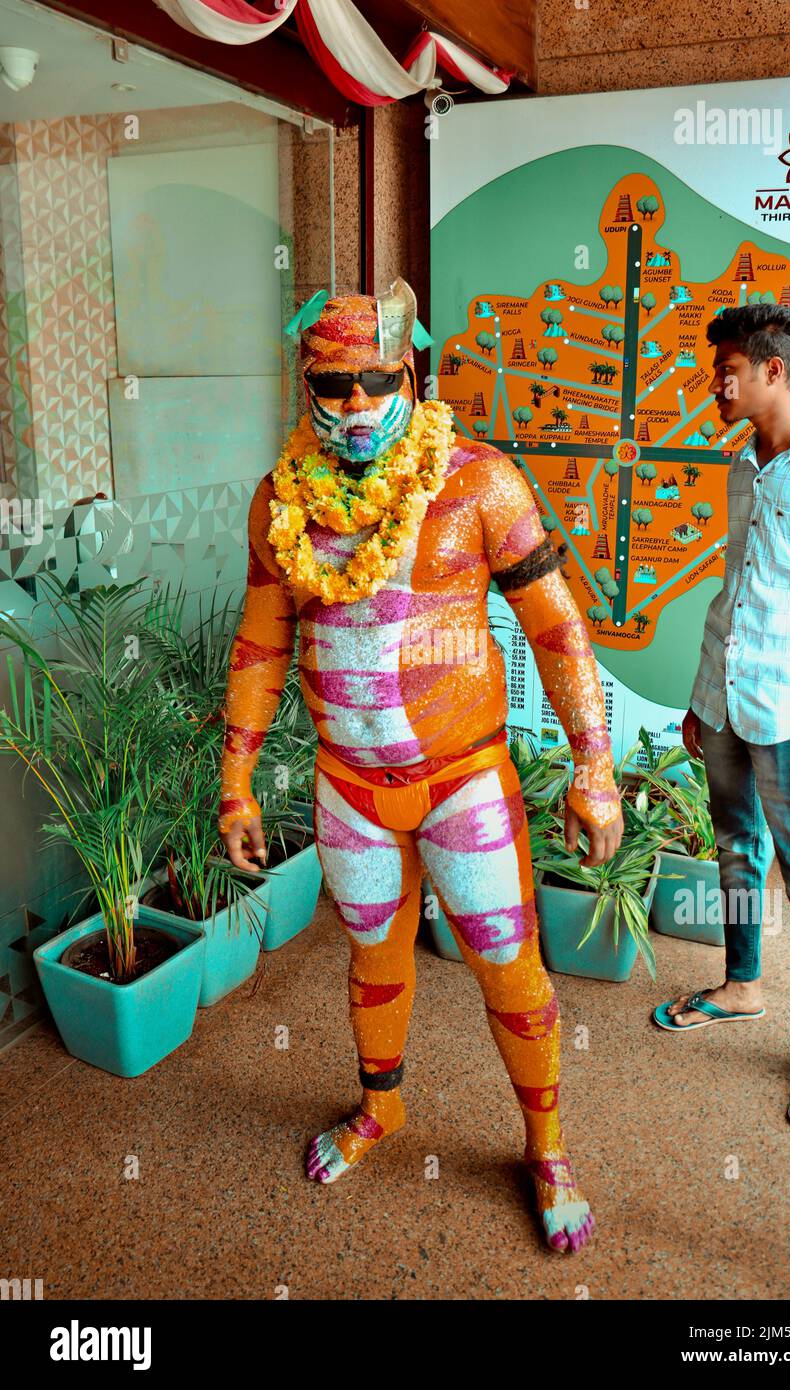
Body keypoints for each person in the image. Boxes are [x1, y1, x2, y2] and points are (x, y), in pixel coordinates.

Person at [218, 281, 624, 1251]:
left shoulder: (478, 482)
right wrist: (232, 779)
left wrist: (594, 765)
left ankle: (546, 1146)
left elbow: (557, 630)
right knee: (371, 957)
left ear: (410, 373)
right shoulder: (282, 500)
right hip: (349, 787)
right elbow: (260, 644)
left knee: (507, 966)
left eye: (375, 381)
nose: (356, 405)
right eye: (333, 385)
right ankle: (380, 1107)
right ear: (305, 385)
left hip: (463, 782)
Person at [653, 303, 790, 1131]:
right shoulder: (744, 465)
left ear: (774, 370)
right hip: (726, 699)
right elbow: (738, 591)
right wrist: (702, 699)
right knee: (736, 848)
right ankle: (743, 985)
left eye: (727, 369)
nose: (716, 382)